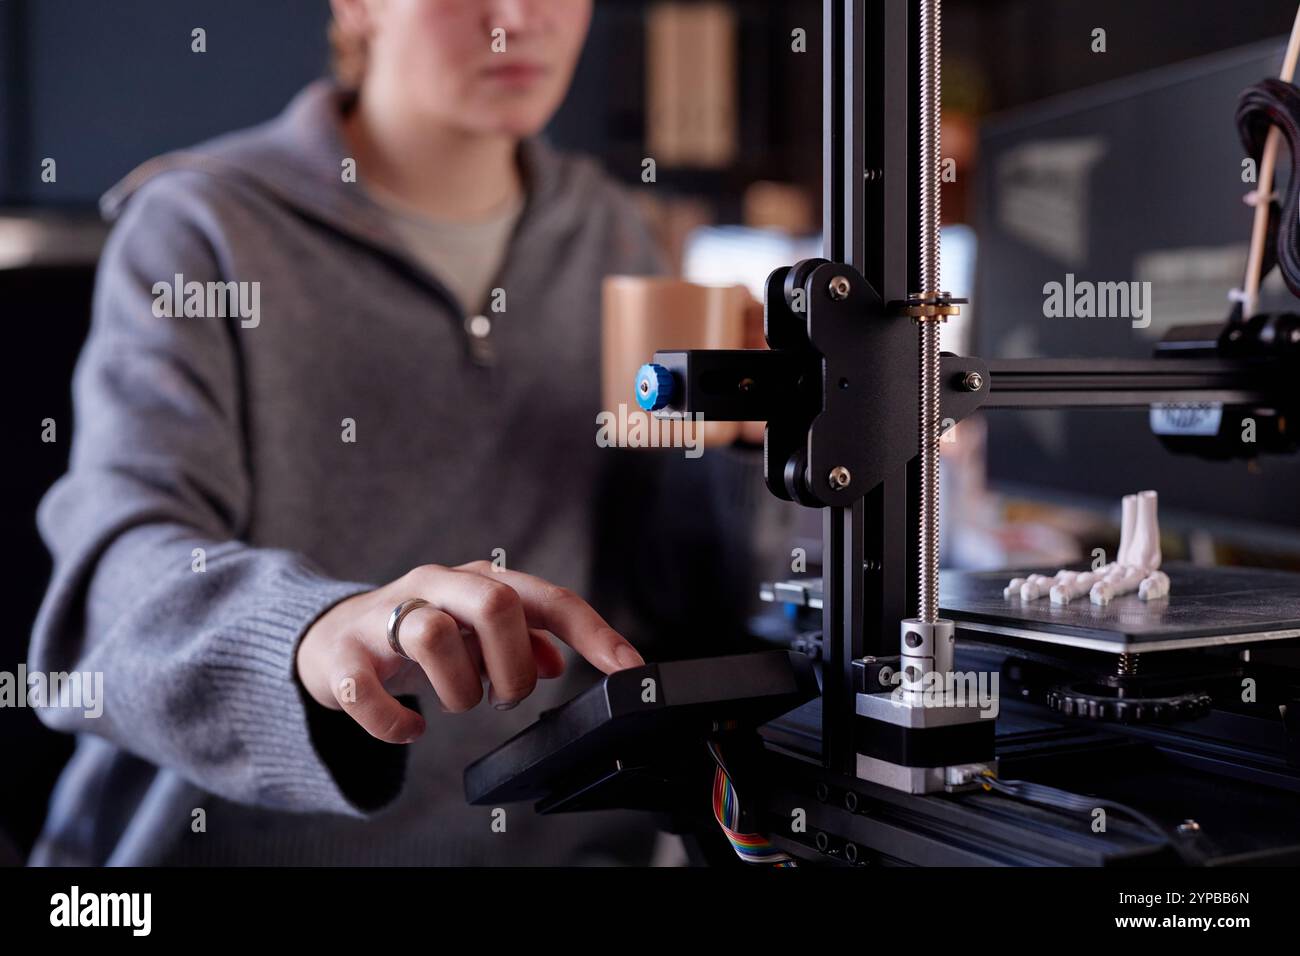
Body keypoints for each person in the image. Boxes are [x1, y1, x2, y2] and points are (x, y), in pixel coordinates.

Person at [26, 0, 739, 866]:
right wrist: (314, 631)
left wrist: (742, 454)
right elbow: (111, 588)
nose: (519, 19)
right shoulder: (202, 225)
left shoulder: (613, 233)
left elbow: (665, 594)